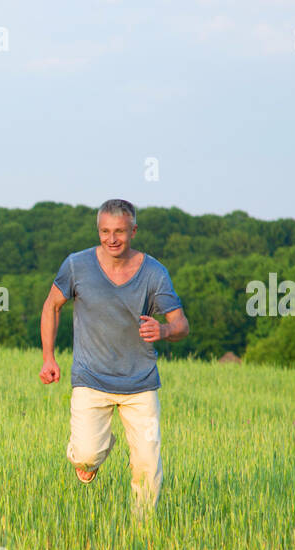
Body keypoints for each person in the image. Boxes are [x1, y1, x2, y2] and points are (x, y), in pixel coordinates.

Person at [38, 198, 189, 516]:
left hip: (141, 384)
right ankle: (96, 453)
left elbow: (181, 324)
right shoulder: (77, 266)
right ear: (98, 231)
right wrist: (49, 358)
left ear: (133, 231)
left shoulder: (154, 273)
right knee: (86, 456)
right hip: (90, 379)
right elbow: (52, 305)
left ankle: (142, 531)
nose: (112, 239)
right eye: (105, 231)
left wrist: (163, 331)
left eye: (119, 231)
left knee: (147, 463)